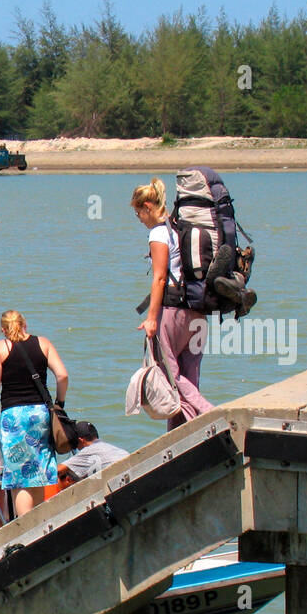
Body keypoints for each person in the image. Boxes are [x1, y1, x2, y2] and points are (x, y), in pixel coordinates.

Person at [132, 177, 214, 431]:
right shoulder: (179, 229)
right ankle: (179, 435)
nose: (138, 218)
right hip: (197, 310)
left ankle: (210, 414)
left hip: (171, 311)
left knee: (170, 378)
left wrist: (152, 318)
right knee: (190, 378)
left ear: (147, 206)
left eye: (138, 212)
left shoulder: (158, 233)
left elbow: (159, 278)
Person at [0, 310, 68, 519]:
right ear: (24, 324)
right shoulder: (43, 343)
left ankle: (27, 534)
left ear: (3, 329)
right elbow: (62, 375)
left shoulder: (0, 347)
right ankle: (39, 528)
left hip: (14, 417)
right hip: (40, 414)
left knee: (20, 479)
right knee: (38, 474)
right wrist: (59, 403)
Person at [56, 422, 129, 485]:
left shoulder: (88, 450)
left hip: (119, 481)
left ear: (81, 440)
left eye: (75, 443)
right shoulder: (109, 447)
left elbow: (59, 470)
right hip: (130, 473)